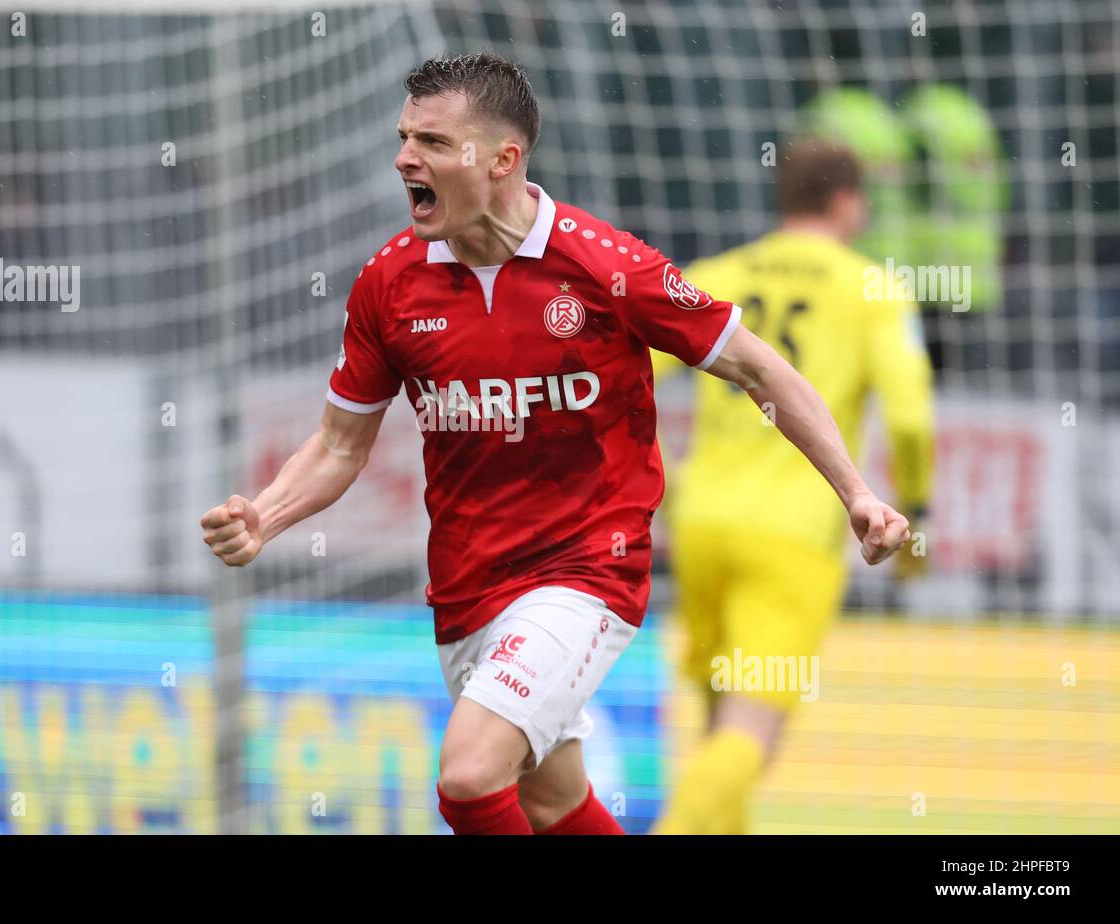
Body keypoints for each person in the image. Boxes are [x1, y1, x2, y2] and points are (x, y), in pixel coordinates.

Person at [200, 56, 911, 835]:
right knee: (550, 799)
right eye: (404, 138)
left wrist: (859, 493)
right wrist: (266, 515)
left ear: (503, 159)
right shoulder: (389, 284)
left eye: (434, 142)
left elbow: (759, 366)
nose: (406, 158)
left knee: (469, 777)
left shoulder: (605, 266)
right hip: (468, 585)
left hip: (585, 569)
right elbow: (340, 444)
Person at [650, 138, 934, 834]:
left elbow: (629, 381)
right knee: (752, 733)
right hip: (794, 532)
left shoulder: (717, 274)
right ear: (848, 203)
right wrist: (915, 505)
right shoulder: (871, 287)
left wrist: (662, 486)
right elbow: (910, 418)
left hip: (703, 521)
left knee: (718, 726)